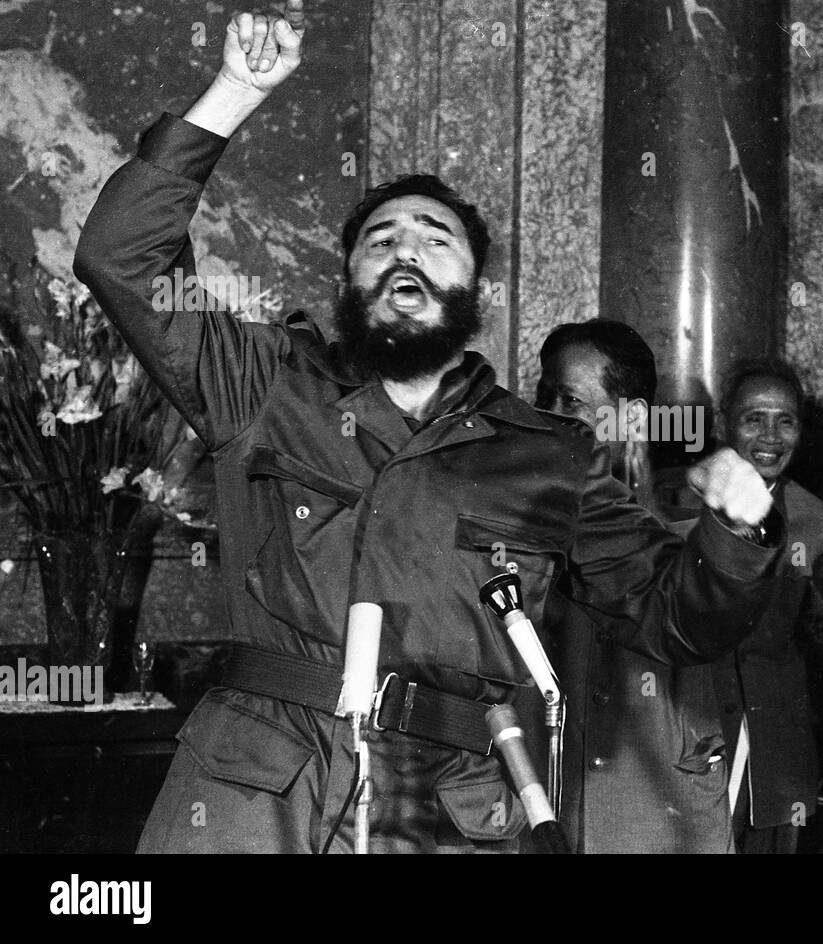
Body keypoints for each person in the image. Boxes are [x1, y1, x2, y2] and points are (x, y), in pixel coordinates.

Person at [73, 3, 781, 853]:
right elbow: (121, 256)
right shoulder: (264, 386)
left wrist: (736, 531)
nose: (405, 252)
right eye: (380, 241)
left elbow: (676, 618)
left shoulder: (551, 456)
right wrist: (232, 91)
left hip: (446, 810)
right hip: (251, 795)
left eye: (435, 239)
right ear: (348, 280)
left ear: (474, 288)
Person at [534, 319, 732, 853]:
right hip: (551, 795)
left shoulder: (690, 522)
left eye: (571, 401)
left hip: (658, 807)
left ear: (634, 417)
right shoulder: (523, 509)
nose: (549, 415)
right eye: (543, 397)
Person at [683, 358, 823, 854]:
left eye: (785, 420)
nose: (771, 436)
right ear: (723, 423)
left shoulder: (813, 519)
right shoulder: (676, 504)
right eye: (754, 419)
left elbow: (821, 631)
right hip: (691, 733)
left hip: (773, 751)